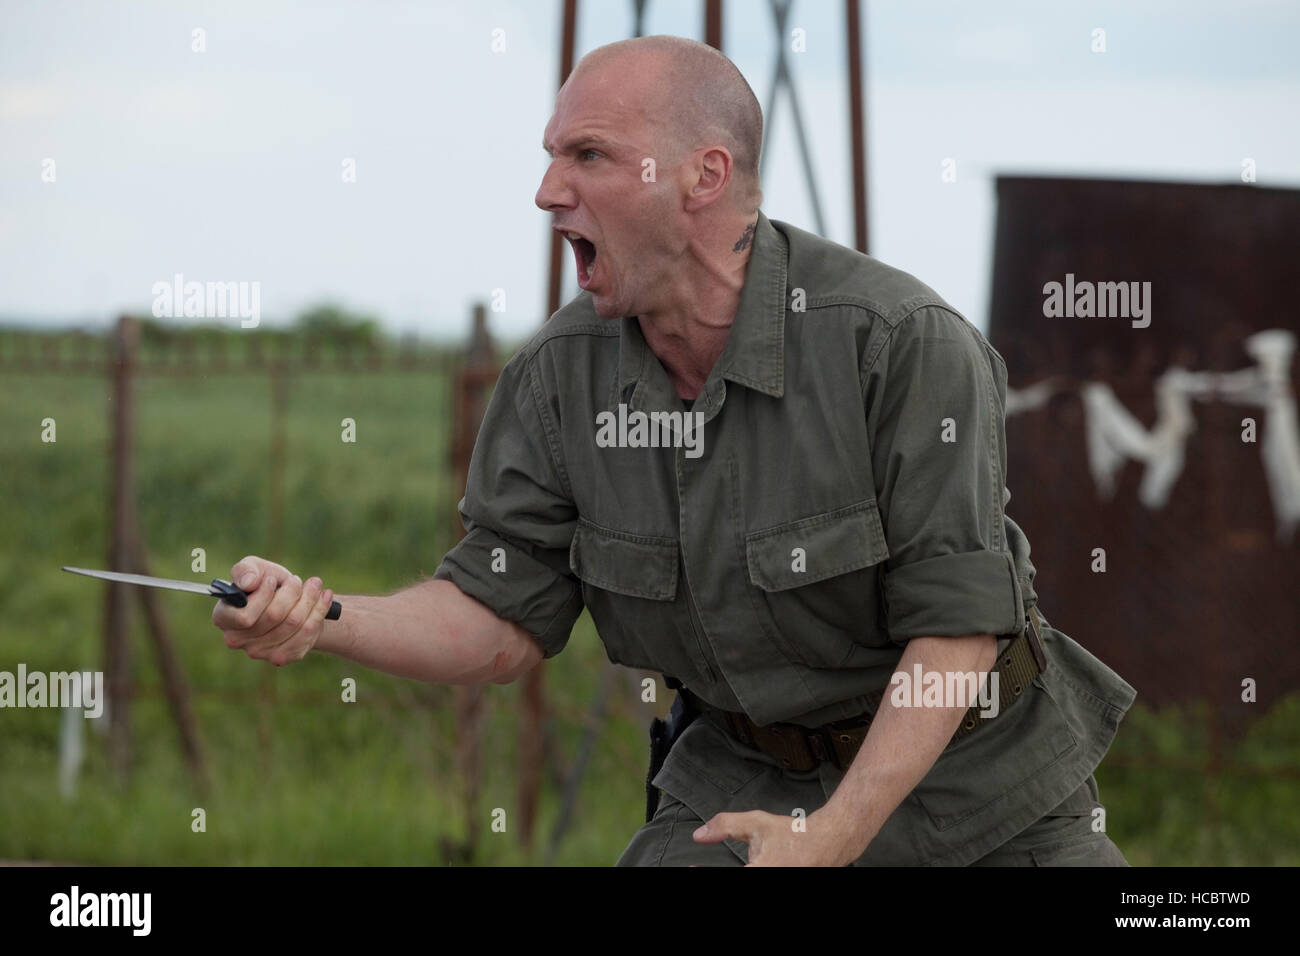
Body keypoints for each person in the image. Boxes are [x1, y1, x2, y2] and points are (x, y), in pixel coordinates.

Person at [212, 35, 1136, 866]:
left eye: (589, 156)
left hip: (988, 794)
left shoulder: (898, 343)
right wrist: (320, 615)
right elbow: (499, 619)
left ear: (703, 176)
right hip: (741, 787)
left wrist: (834, 837)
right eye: (550, 157)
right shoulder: (554, 380)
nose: (546, 193)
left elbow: (957, 631)